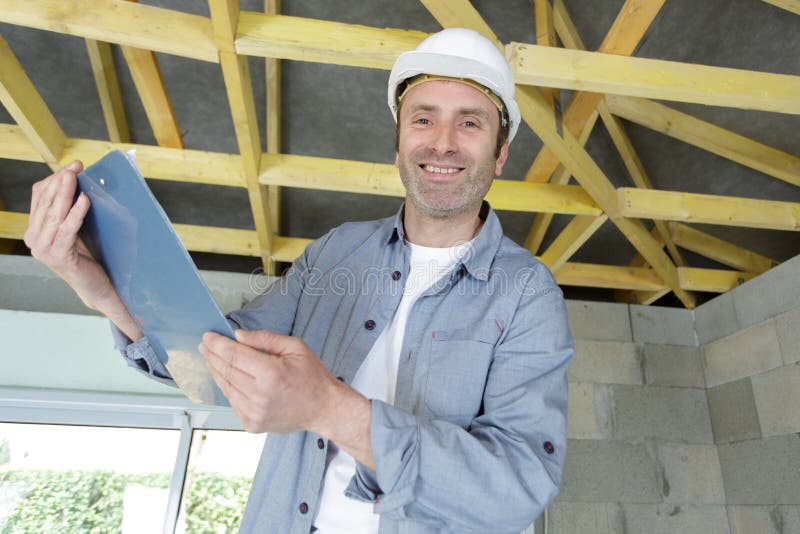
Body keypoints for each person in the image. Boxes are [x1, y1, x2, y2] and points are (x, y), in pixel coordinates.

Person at [25, 28, 573, 534]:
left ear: (500, 154)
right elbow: (219, 363)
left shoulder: (526, 293)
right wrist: (98, 288)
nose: (443, 142)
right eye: (423, 119)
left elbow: (517, 486)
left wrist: (327, 407)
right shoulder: (337, 253)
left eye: (470, 122)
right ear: (399, 143)